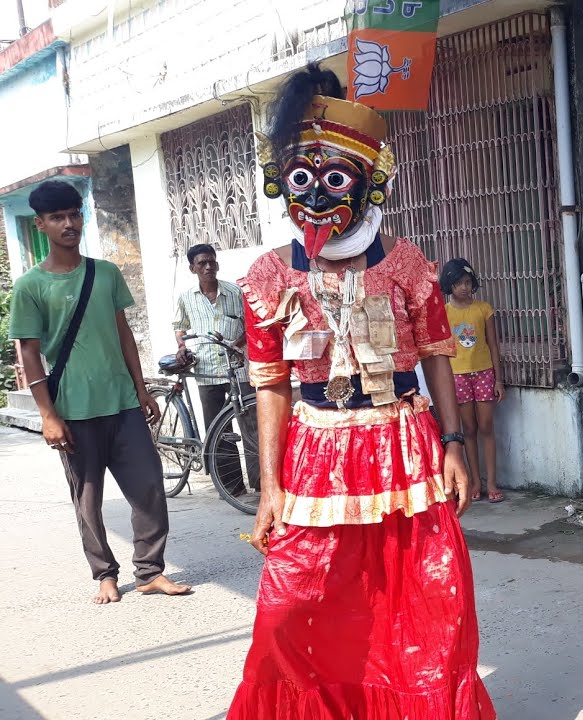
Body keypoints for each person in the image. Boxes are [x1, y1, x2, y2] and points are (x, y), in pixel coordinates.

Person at [227, 65, 494, 718]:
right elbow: (271, 388)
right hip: (315, 457)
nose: (316, 197)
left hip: (405, 445)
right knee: (291, 607)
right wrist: (269, 490)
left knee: (427, 602)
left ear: (369, 180)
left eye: (335, 179)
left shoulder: (408, 267)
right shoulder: (267, 279)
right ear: (279, 183)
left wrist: (454, 445)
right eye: (300, 180)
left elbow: (437, 362)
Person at [7, 180, 191, 605]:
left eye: (74, 214)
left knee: (148, 487)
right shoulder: (30, 286)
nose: (68, 223)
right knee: (88, 500)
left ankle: (149, 571)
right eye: (57, 217)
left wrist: (142, 388)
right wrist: (48, 416)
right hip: (72, 409)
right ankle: (105, 574)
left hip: (123, 402)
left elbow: (123, 333)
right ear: (41, 225)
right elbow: (30, 353)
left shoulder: (104, 273)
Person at [173, 243, 258, 495]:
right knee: (217, 430)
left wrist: (237, 343)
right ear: (193, 268)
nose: (208, 267)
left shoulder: (235, 292)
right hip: (206, 369)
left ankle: (260, 482)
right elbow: (180, 325)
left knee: (250, 424)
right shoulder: (186, 297)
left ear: (217, 264)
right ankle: (231, 486)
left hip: (237, 366)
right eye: (202, 263)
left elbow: (251, 325)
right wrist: (181, 346)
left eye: (211, 262)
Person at [440, 258, 506, 504]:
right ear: (449, 285)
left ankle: (492, 482)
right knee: (468, 429)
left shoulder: (484, 309)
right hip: (457, 375)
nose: (464, 287)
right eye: (458, 283)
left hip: (484, 372)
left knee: (487, 426)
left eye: (468, 282)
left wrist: (499, 380)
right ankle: (475, 481)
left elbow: (493, 345)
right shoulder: (444, 313)